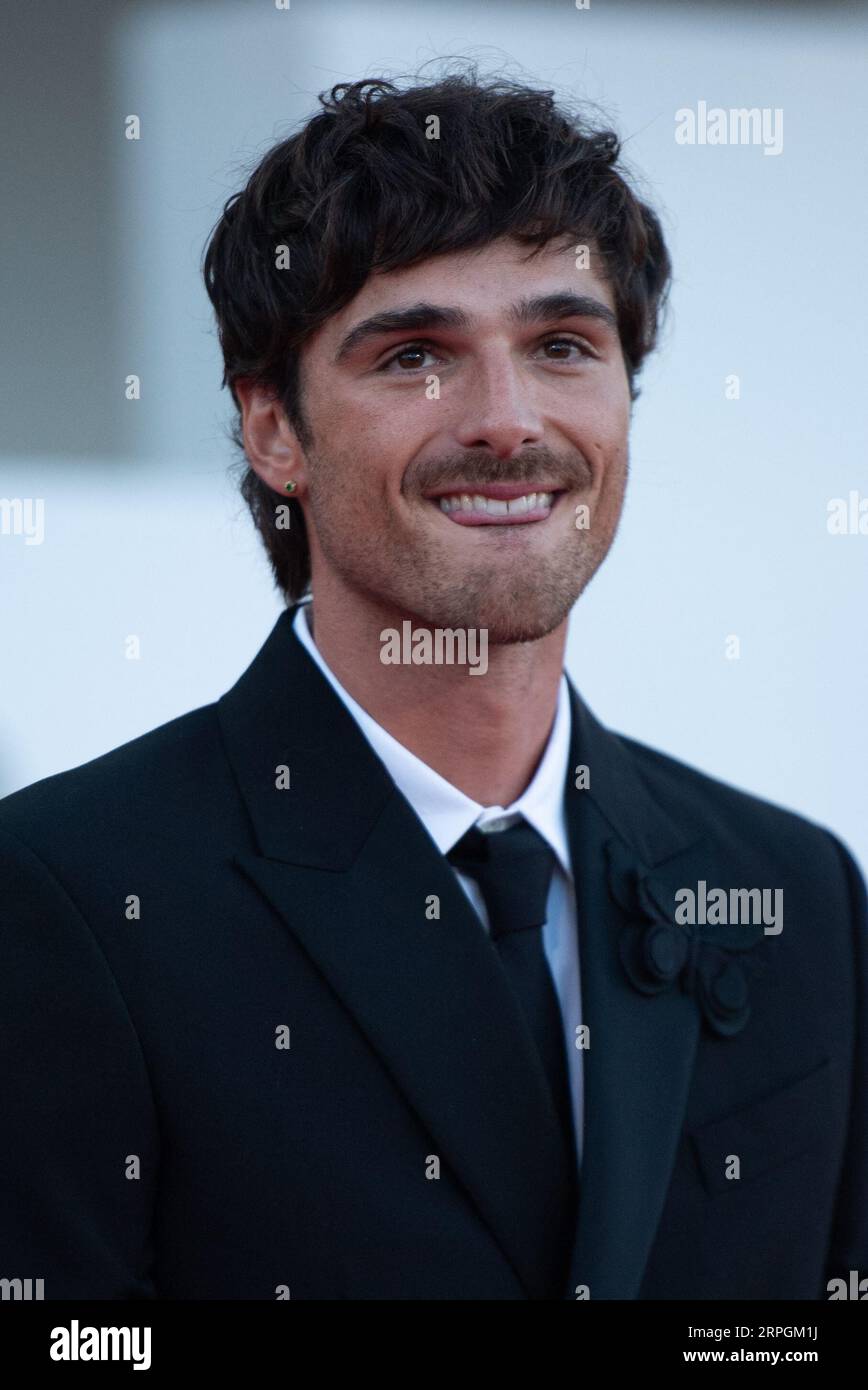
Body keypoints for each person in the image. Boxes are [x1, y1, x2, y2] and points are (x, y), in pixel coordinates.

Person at [1, 69, 865, 1301]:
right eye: (415, 355)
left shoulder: (793, 889)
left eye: (563, 344)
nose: (507, 421)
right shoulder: (68, 899)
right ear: (272, 431)